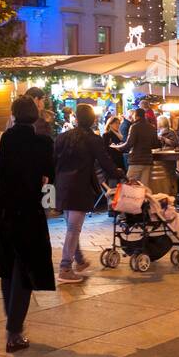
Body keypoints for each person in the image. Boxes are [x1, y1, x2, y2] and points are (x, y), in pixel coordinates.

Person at [0, 95, 56, 352]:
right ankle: (14, 331)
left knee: (7, 268)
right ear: (35, 116)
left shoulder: (2, 139)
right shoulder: (42, 142)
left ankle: (13, 323)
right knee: (24, 270)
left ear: (13, 114)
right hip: (28, 213)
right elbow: (50, 175)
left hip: (2, 212)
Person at [54, 103, 124, 284]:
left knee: (72, 226)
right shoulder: (93, 139)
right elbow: (105, 163)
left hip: (63, 185)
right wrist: (120, 173)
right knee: (73, 228)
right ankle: (65, 267)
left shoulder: (62, 138)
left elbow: (53, 160)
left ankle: (79, 260)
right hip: (79, 186)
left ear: (76, 119)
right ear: (93, 120)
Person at [120, 105, 161, 185]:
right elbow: (155, 144)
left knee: (128, 184)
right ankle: (144, 198)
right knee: (144, 186)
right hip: (148, 160)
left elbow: (130, 143)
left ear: (136, 116)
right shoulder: (151, 127)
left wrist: (119, 148)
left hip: (136, 160)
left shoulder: (134, 127)